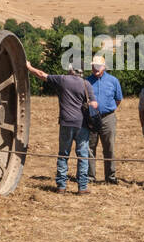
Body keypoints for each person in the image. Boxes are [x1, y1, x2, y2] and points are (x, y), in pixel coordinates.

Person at [25, 60, 98, 194]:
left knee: (63, 154)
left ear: (71, 69)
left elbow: (42, 75)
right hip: (82, 124)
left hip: (66, 123)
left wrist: (29, 67)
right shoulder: (86, 84)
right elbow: (94, 104)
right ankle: (82, 187)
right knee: (82, 155)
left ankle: (61, 186)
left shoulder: (62, 80)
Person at [84, 55, 124, 185]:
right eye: (93, 66)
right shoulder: (86, 82)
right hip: (91, 118)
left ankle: (110, 176)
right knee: (90, 147)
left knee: (109, 147)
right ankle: (90, 176)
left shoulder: (113, 81)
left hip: (108, 118)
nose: (95, 68)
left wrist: (106, 110)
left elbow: (118, 99)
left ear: (104, 67)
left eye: (98, 66)